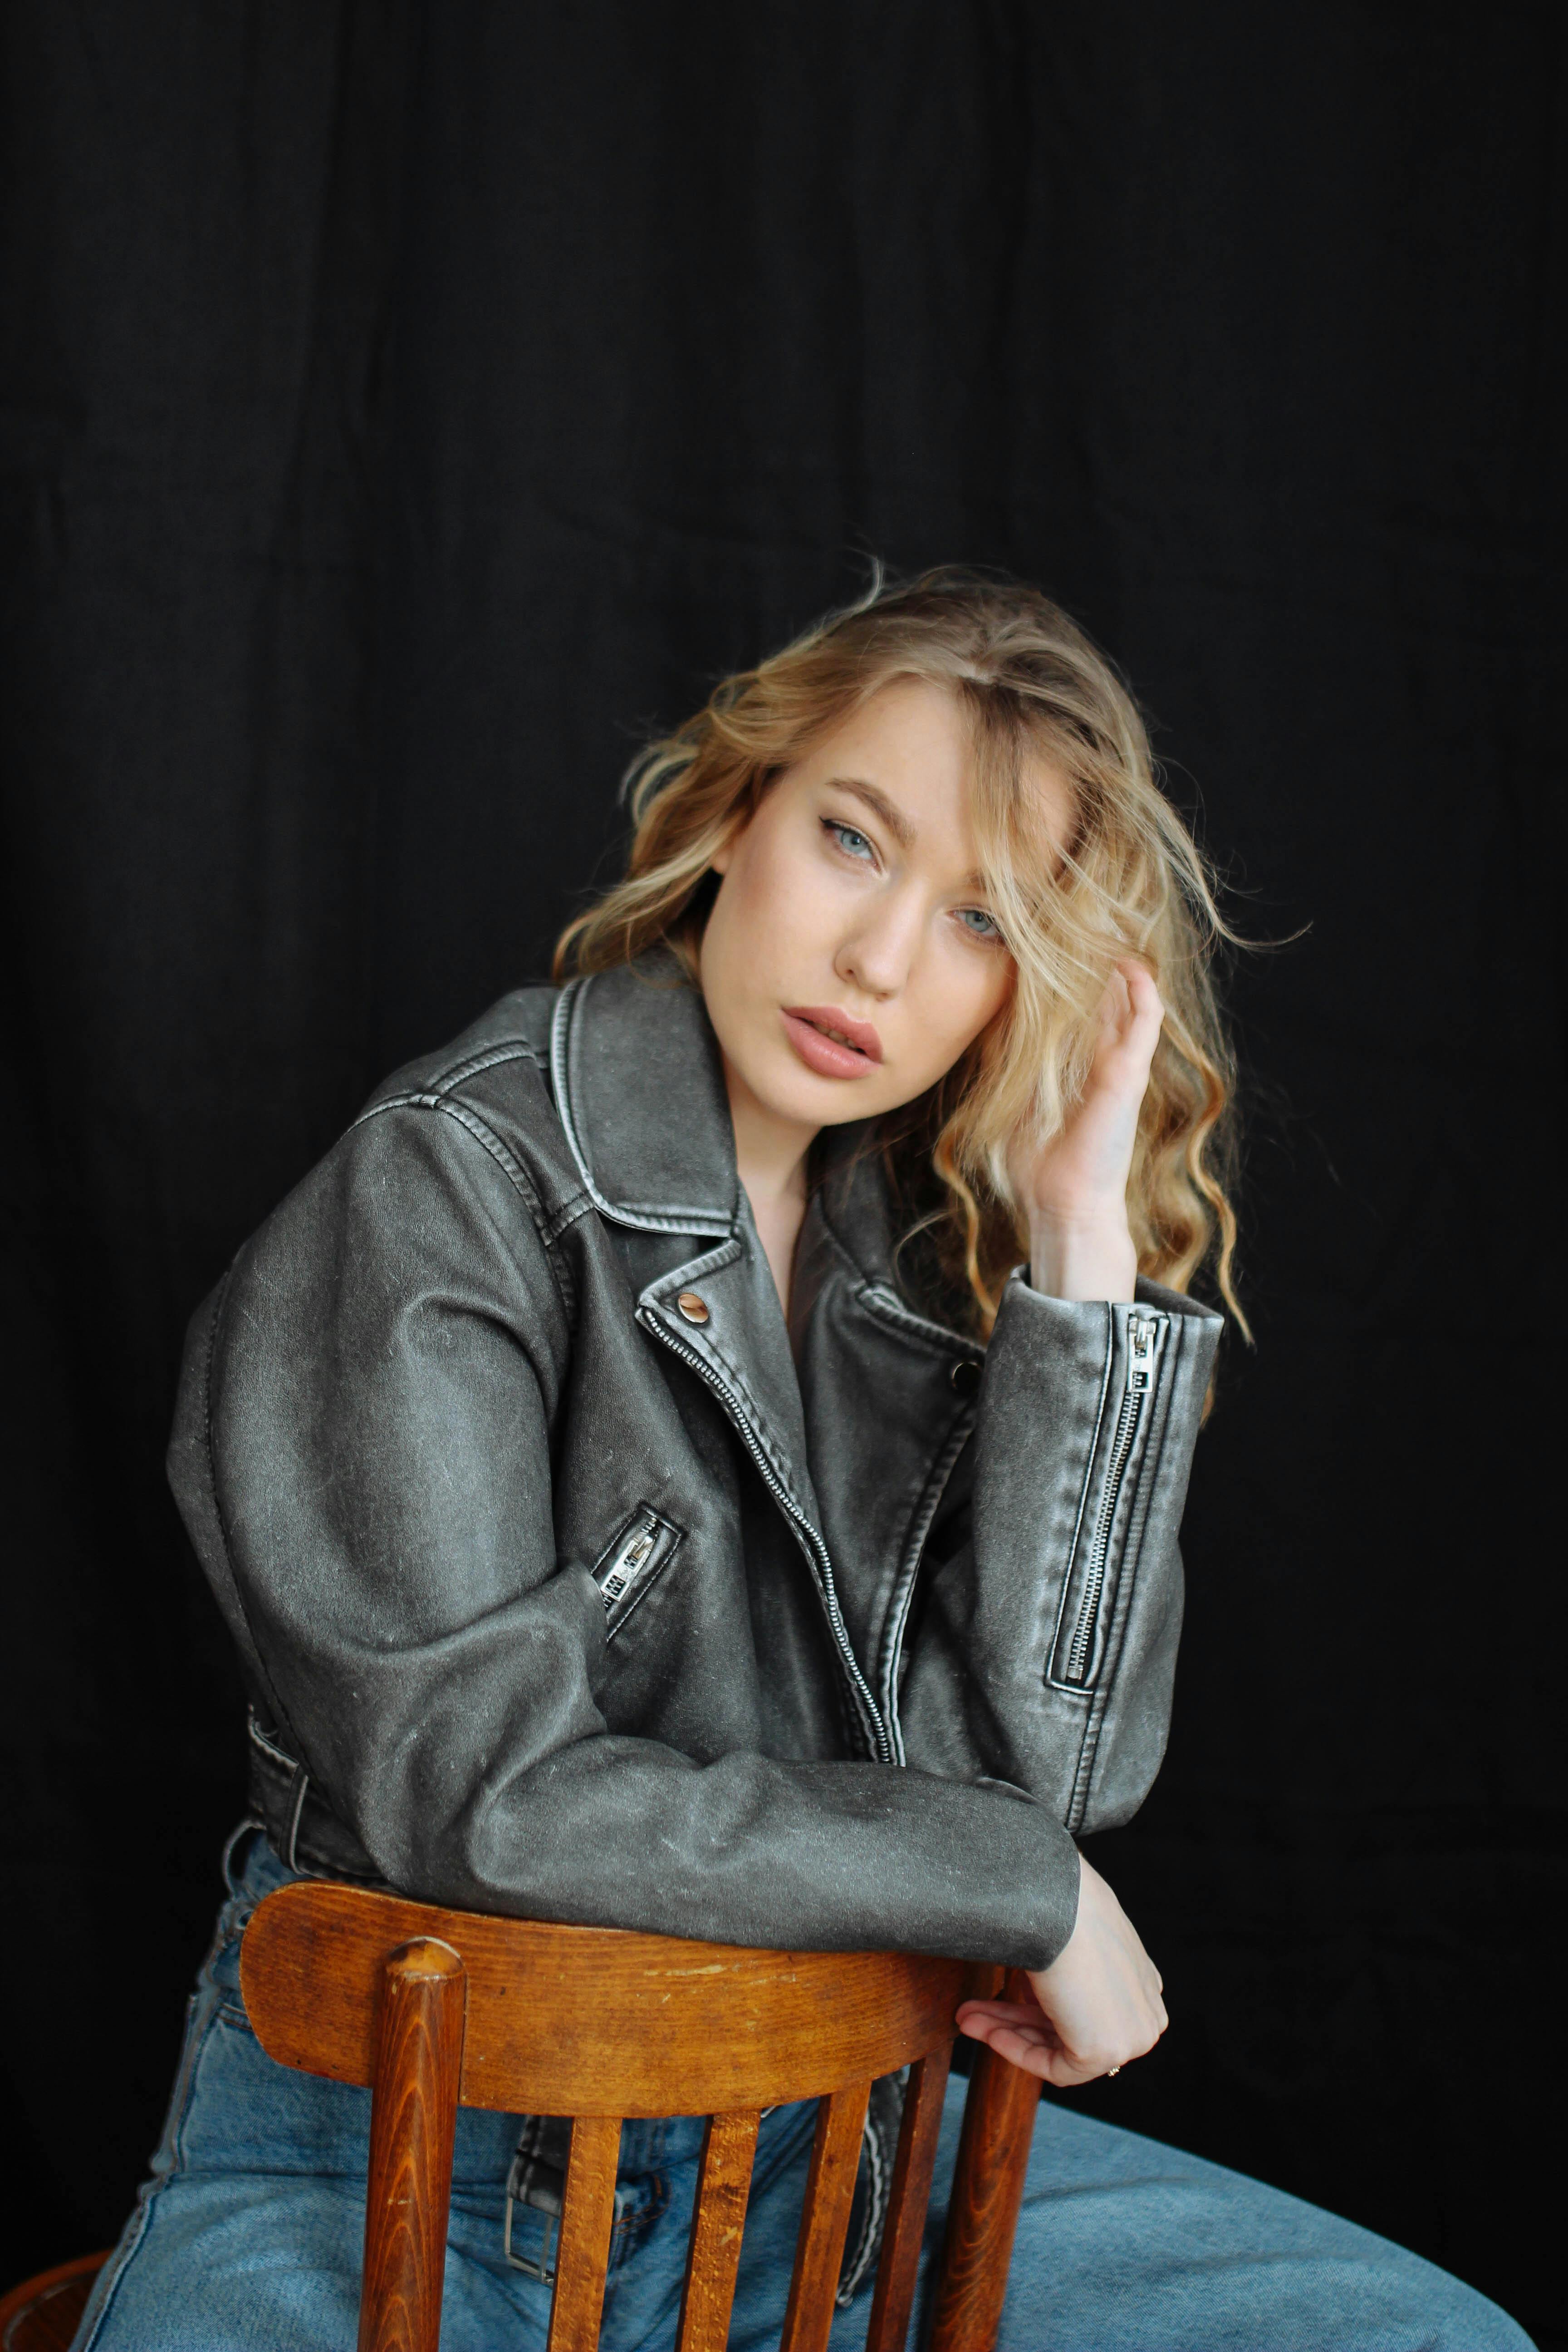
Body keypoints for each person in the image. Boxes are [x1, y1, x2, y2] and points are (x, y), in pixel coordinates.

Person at [75, 572, 1526, 2350]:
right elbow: (487, 1803)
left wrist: (1080, 1273)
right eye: (855, 839)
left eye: (984, 921)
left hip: (821, 2172)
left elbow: (1045, 1767)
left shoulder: (921, 1253)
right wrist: (1024, 1893)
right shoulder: (446, 1187)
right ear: (735, 808)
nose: (883, 964)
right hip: (406, 2183)